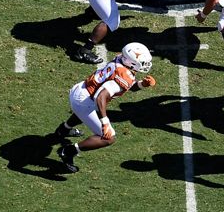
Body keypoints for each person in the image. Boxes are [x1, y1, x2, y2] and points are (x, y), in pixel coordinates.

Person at [55, 43, 156, 173]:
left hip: (81, 89)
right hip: (85, 100)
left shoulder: (121, 59)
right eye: (143, 62)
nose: (146, 64)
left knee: (88, 111)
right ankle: (68, 152)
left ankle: (63, 129)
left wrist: (142, 84)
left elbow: (129, 84)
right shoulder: (124, 74)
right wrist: (105, 122)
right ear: (131, 62)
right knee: (108, 138)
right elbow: (100, 97)